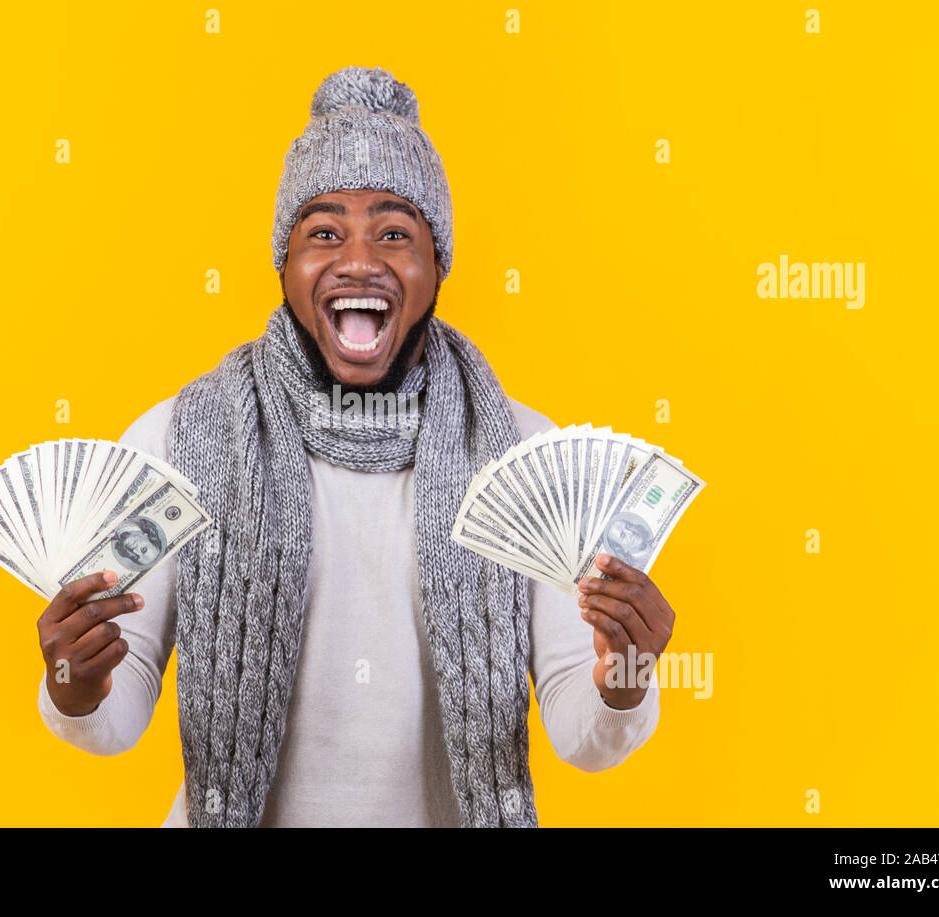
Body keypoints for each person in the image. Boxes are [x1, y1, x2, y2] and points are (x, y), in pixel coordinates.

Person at [34, 66, 678, 827]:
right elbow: (116, 711)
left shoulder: (524, 455)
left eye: (396, 232)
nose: (360, 261)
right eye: (325, 232)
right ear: (285, 262)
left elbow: (584, 733)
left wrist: (626, 669)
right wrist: (74, 679)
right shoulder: (184, 439)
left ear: (437, 266)